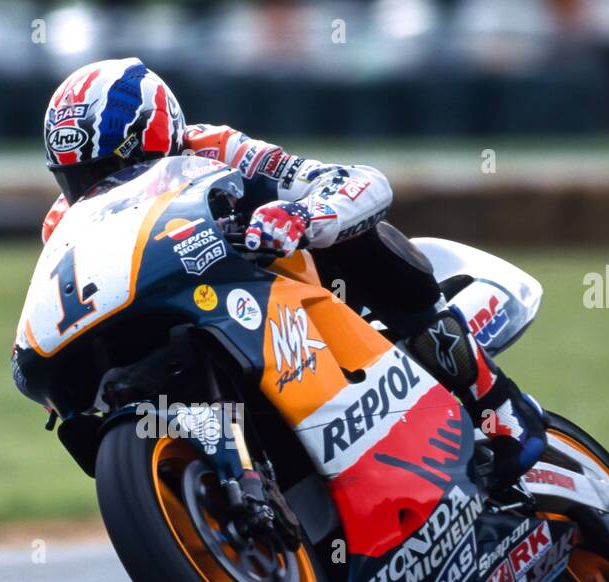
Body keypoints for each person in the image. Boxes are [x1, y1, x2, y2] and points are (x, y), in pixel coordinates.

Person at [40, 58, 545, 484]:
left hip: (301, 306)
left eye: (113, 171)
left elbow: (358, 183)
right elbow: (63, 308)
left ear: (163, 139)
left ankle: (495, 402)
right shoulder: (62, 225)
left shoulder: (215, 149)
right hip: (188, 333)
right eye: (78, 178)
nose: (97, 190)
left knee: (355, 237)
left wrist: (302, 216)